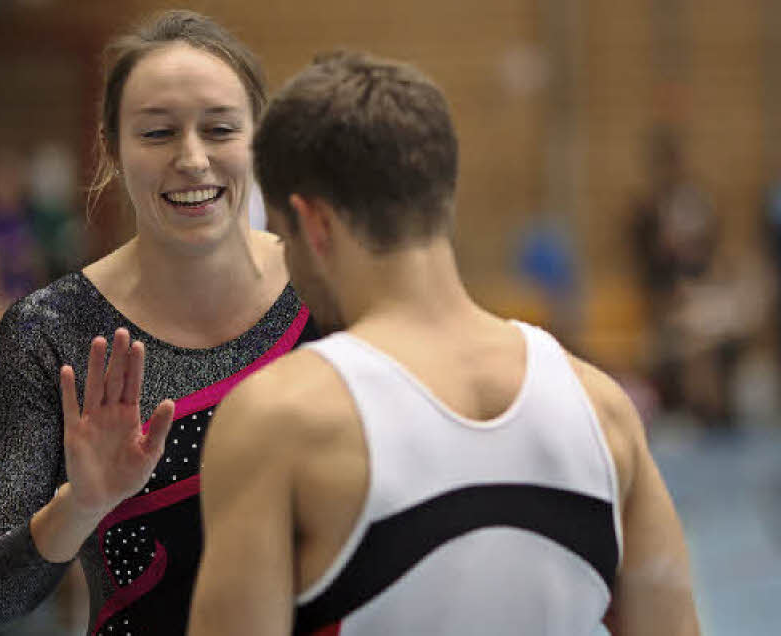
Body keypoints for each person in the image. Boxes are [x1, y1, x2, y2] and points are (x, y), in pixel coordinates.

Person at [189, 52, 700, 635]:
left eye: (282, 237)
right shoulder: (604, 412)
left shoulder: (277, 418)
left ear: (314, 224)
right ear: (440, 196)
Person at [0, 10, 318, 634]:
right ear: (111, 148)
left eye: (221, 129)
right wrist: (82, 503)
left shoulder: (329, 293)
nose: (193, 159)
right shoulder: (50, 330)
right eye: (157, 133)